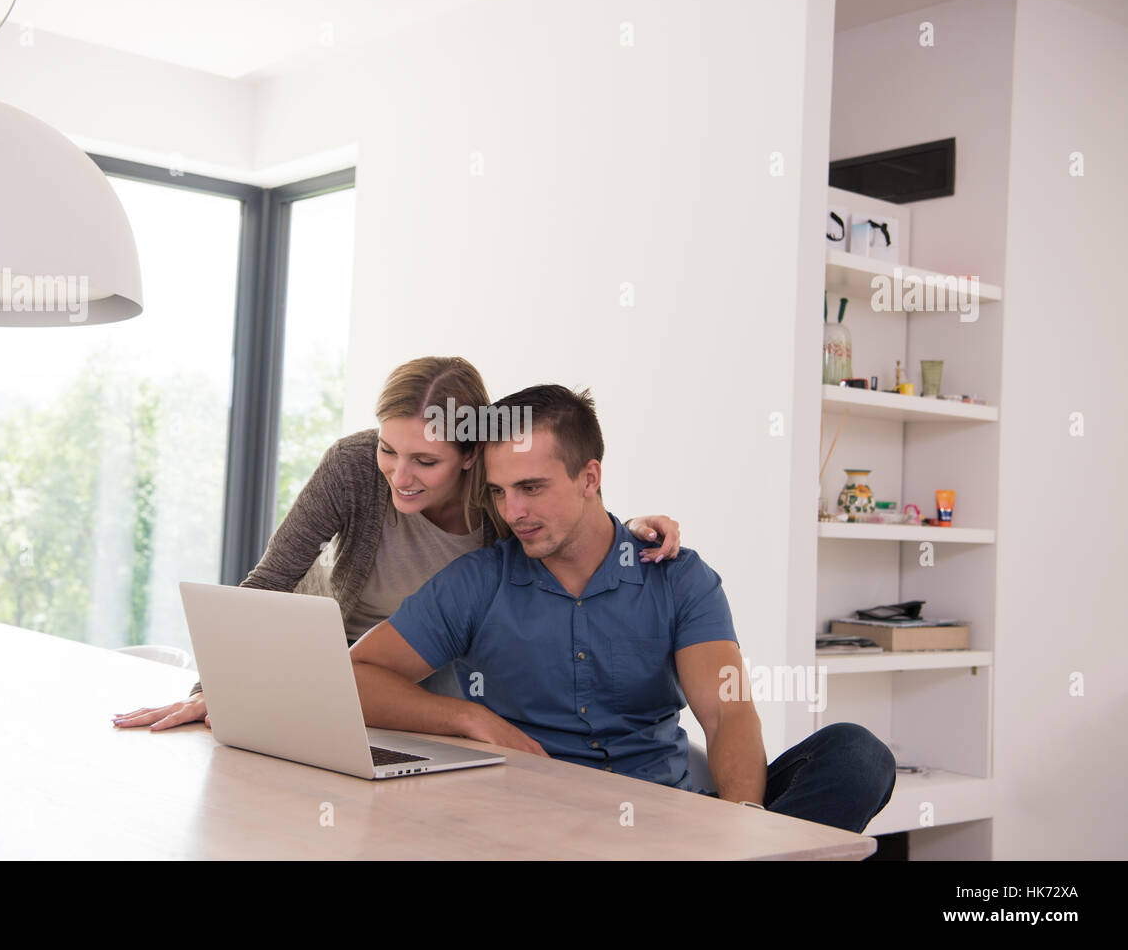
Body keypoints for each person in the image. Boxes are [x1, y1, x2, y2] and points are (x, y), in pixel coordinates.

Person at [349, 384, 896, 834]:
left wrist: (740, 825)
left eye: (532, 488)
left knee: (857, 754)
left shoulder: (676, 575)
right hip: (536, 825)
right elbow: (354, 677)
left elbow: (727, 711)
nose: (514, 511)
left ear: (590, 477)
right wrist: (470, 717)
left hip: (671, 817)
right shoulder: (477, 582)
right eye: (498, 492)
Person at [112, 357, 682, 732]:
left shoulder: (500, 501)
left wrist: (629, 531)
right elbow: (268, 581)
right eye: (390, 449)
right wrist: (217, 685)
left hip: (434, 665)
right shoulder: (353, 466)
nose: (399, 475)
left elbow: (562, 519)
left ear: (470, 456)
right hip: (331, 649)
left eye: (425, 461)